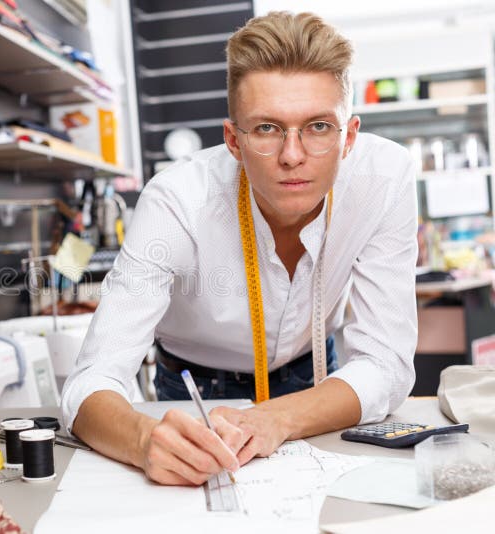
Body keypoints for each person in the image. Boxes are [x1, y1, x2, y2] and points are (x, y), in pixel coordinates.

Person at [61, 11, 418, 486]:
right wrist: (144, 440)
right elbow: (91, 381)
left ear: (349, 136)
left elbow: (386, 364)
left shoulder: (384, 179)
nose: (293, 155)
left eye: (317, 126)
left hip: (322, 387)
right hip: (191, 391)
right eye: (267, 128)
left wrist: (277, 418)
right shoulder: (177, 200)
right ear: (233, 140)